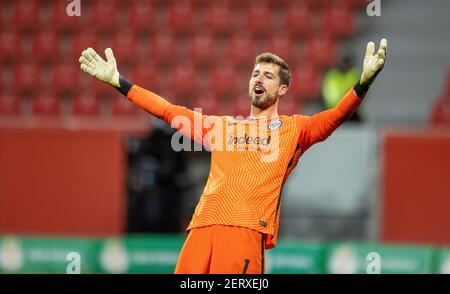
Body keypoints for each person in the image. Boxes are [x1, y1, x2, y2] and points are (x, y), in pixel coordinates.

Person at [79, 38, 387, 274]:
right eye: (255, 73)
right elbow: (169, 111)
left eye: (268, 75)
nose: (259, 78)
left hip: (245, 230)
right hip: (201, 228)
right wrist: (120, 83)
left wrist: (363, 83)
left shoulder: (295, 129)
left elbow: (334, 117)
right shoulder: (221, 127)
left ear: (282, 89)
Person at [321, 55, 362, 122]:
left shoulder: (354, 75)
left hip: (350, 112)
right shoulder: (332, 75)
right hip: (333, 110)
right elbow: (329, 95)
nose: (345, 65)